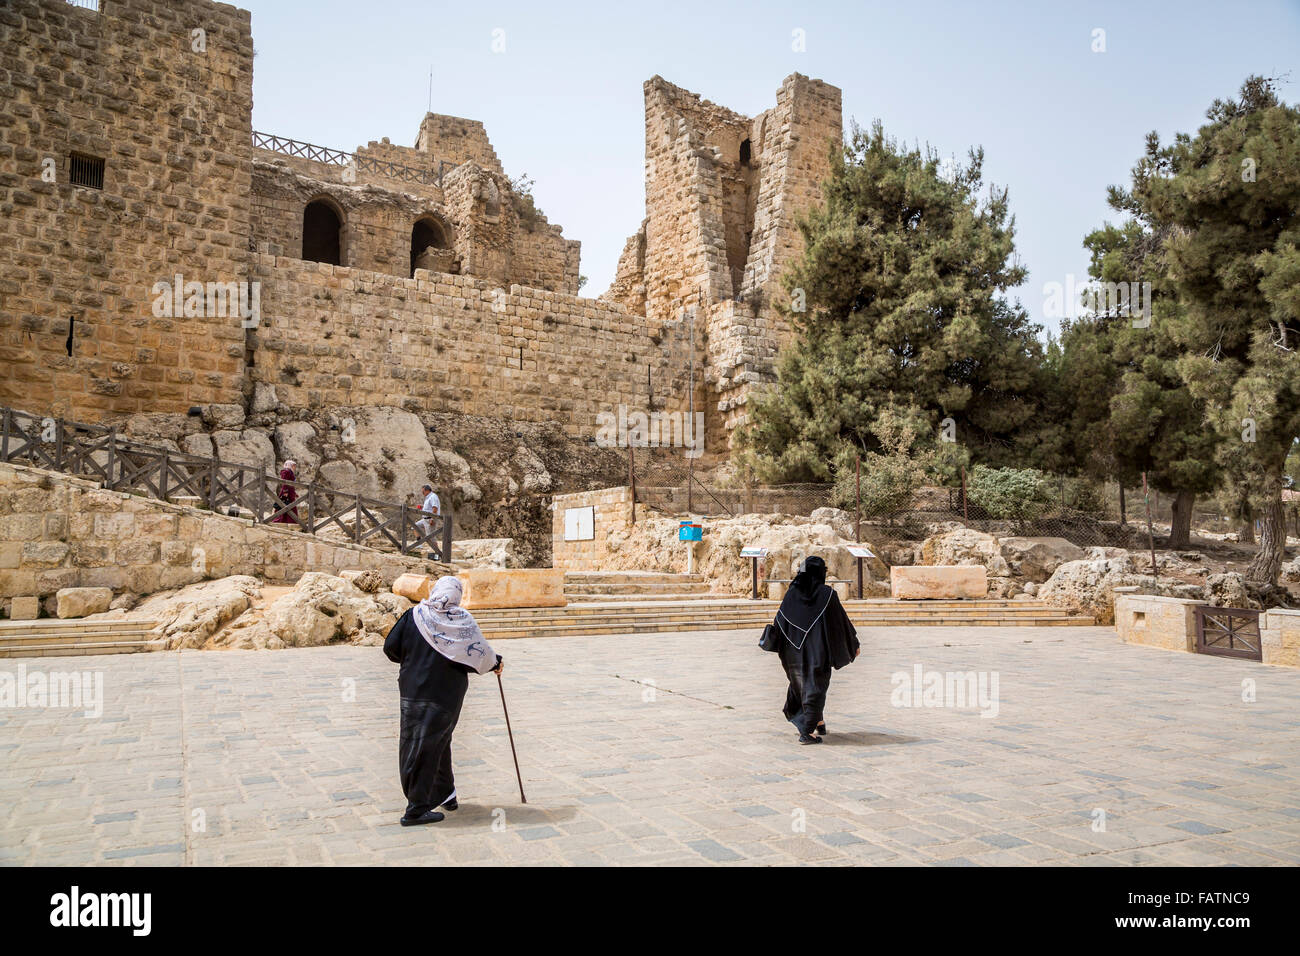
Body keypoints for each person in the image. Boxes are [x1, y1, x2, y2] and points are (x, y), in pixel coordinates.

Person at [383, 575, 503, 826]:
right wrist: (496, 663)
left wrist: (414, 660)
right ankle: (416, 808)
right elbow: (476, 655)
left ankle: (445, 794)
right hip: (445, 696)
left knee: (424, 743)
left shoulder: (414, 615)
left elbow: (390, 648)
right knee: (432, 743)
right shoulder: (461, 622)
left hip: (413, 691)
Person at [771, 555, 860, 744]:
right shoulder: (827, 594)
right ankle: (807, 731)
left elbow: (779, 620)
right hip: (817, 649)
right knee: (815, 685)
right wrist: (853, 644)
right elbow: (840, 623)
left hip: (792, 650)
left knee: (802, 684)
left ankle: (818, 721)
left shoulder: (792, 592)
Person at [415, 483, 442, 558]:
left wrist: (432, 518)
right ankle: (419, 543)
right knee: (416, 526)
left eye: (423, 492)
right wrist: (422, 507)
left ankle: (438, 554)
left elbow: (435, 508)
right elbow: (429, 508)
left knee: (431, 538)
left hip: (430, 519)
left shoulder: (433, 497)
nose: (422, 493)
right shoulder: (428, 497)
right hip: (425, 519)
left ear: (427, 490)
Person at [273, 460, 298, 524]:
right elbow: (285, 482)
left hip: (290, 492)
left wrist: (294, 493)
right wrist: (285, 491)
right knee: (284, 505)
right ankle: (281, 520)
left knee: (289, 506)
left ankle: (290, 521)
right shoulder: (286, 472)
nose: (295, 467)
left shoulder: (290, 472)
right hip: (287, 492)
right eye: (293, 466)